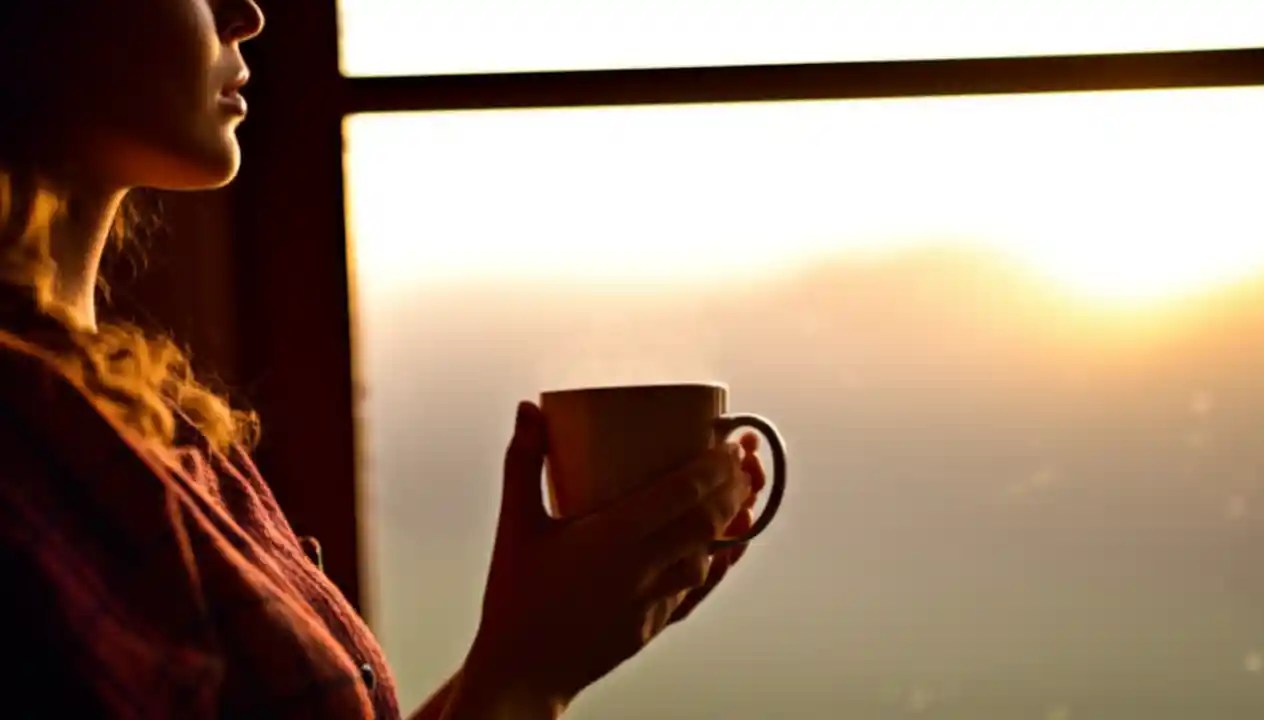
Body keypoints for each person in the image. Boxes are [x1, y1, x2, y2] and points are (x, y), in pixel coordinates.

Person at [0, 1, 765, 718]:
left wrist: (543, 641)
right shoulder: (29, 447)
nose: (246, 13)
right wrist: (528, 674)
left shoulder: (132, 410)